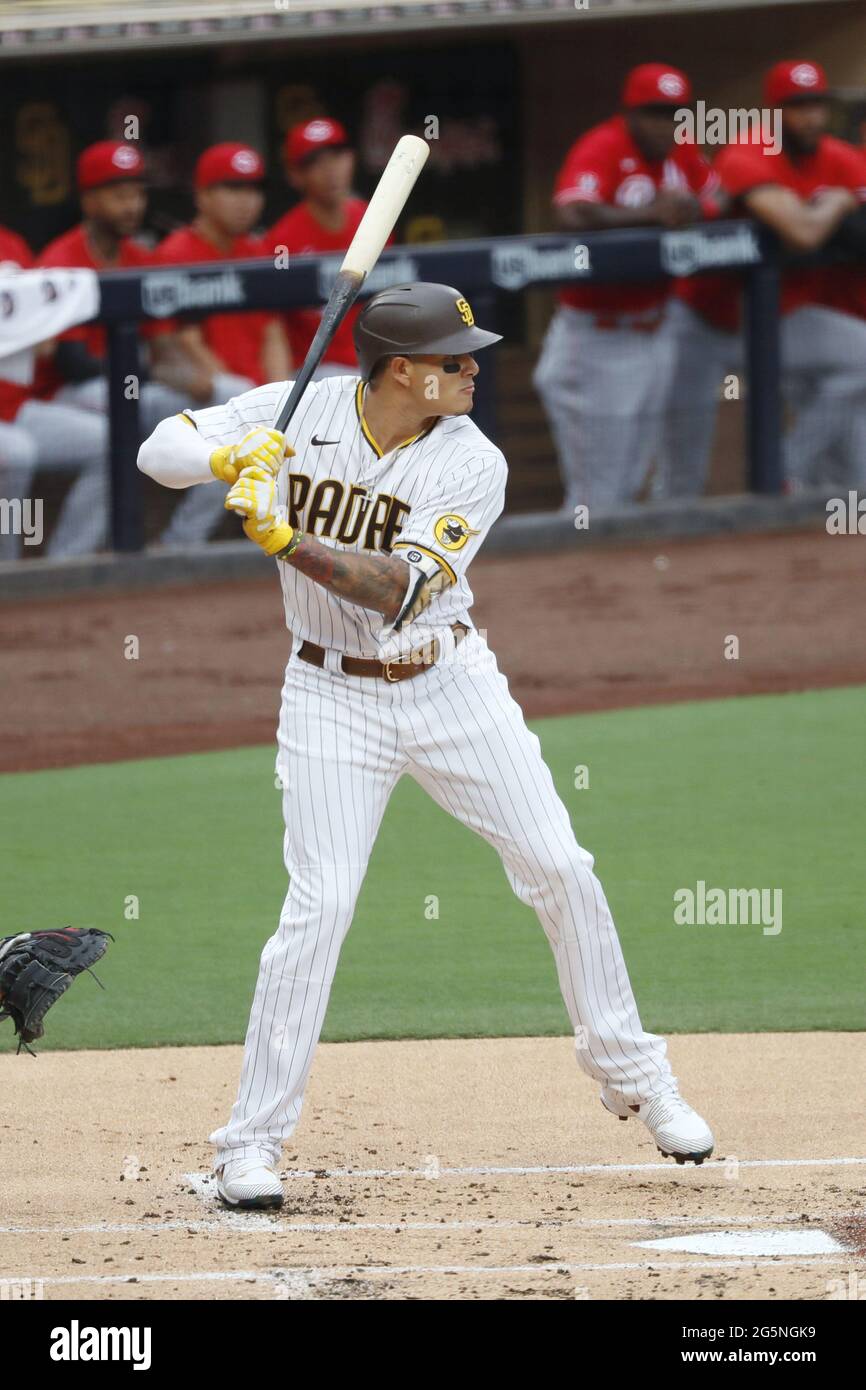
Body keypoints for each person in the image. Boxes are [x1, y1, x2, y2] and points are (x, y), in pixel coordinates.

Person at [137, 281, 714, 1211]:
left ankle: (637, 1077)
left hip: (450, 684)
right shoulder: (306, 405)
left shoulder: (470, 459)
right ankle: (249, 1146)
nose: (475, 368)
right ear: (400, 370)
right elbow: (156, 447)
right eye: (455, 358)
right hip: (329, 694)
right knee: (318, 908)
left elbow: (398, 588)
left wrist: (281, 534)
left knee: (560, 866)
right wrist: (225, 452)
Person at [661, 60, 866, 496]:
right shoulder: (746, 153)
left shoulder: (841, 159)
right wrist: (839, 203)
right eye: (796, 105)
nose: (809, 116)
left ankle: (786, 475)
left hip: (776, 319)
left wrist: (843, 200)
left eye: (816, 104)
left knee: (859, 358)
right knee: (683, 464)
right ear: (774, 112)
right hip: (701, 321)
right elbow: (804, 233)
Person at [532, 64, 720, 514]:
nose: (667, 125)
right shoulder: (603, 145)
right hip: (597, 336)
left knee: (634, 475)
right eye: (655, 113)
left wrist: (696, 206)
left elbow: (718, 197)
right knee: (600, 490)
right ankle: (578, 577)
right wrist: (651, 216)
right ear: (629, 113)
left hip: (657, 326)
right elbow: (572, 214)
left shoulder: (683, 153)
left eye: (675, 114)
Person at [154, 142, 290, 546]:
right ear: (202, 196)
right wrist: (251, 406)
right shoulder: (177, 252)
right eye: (231, 189)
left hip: (248, 385)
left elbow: (273, 332)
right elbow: (184, 343)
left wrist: (280, 395)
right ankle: (181, 544)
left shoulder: (259, 250)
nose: (245, 201)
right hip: (197, 387)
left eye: (252, 189)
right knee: (238, 429)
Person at [0, 222, 109, 560]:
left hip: (14, 407)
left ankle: (67, 564)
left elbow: (47, 345)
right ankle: (7, 570)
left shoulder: (11, 244)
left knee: (111, 440)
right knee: (15, 454)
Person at [267, 117, 371, 379]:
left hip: (372, 360)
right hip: (314, 372)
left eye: (337, 156)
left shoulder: (372, 219)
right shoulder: (281, 239)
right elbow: (273, 327)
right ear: (294, 175)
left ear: (352, 158)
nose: (330, 170)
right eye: (315, 162)